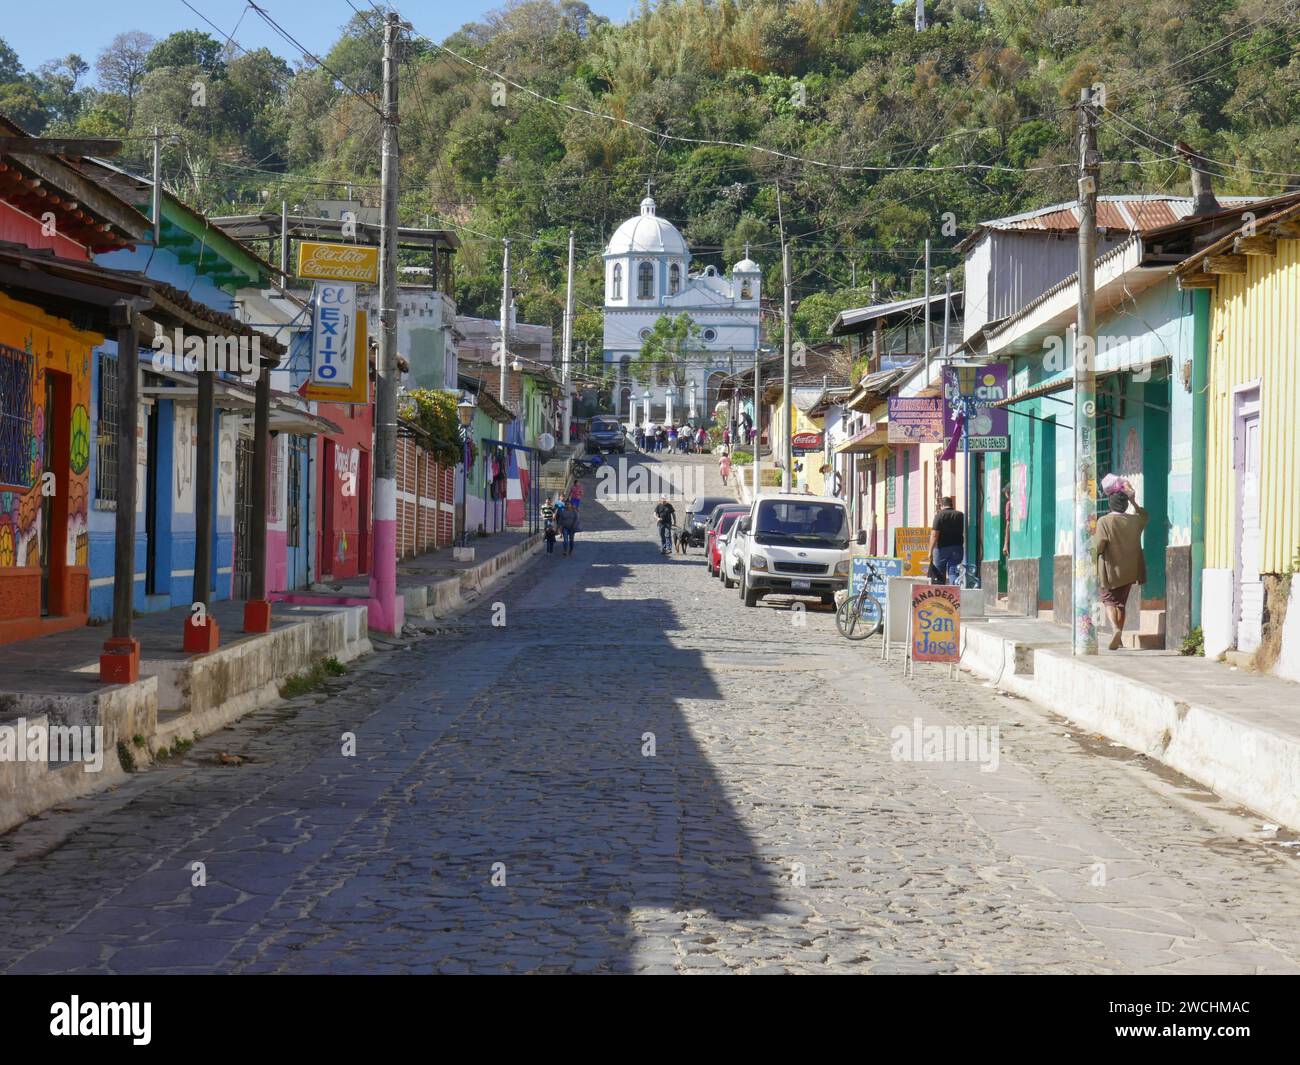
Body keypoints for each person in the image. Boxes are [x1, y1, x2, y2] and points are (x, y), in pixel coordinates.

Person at [1094, 487, 1149, 650]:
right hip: (1131, 568)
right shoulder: (1135, 520)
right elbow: (1145, 515)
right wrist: (1133, 501)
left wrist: (1092, 554)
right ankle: (1119, 638)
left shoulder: (1104, 521)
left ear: (1110, 505)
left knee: (1108, 601)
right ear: (1125, 505)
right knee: (1121, 604)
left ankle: (1115, 629)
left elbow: (1099, 544)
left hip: (1111, 570)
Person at [930, 495, 965, 586]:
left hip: (941, 549)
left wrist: (930, 551)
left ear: (942, 505)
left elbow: (934, 535)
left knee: (939, 574)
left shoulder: (939, 516)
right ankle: (954, 591)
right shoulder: (960, 515)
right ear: (952, 504)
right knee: (953, 571)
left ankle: (941, 595)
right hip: (957, 548)